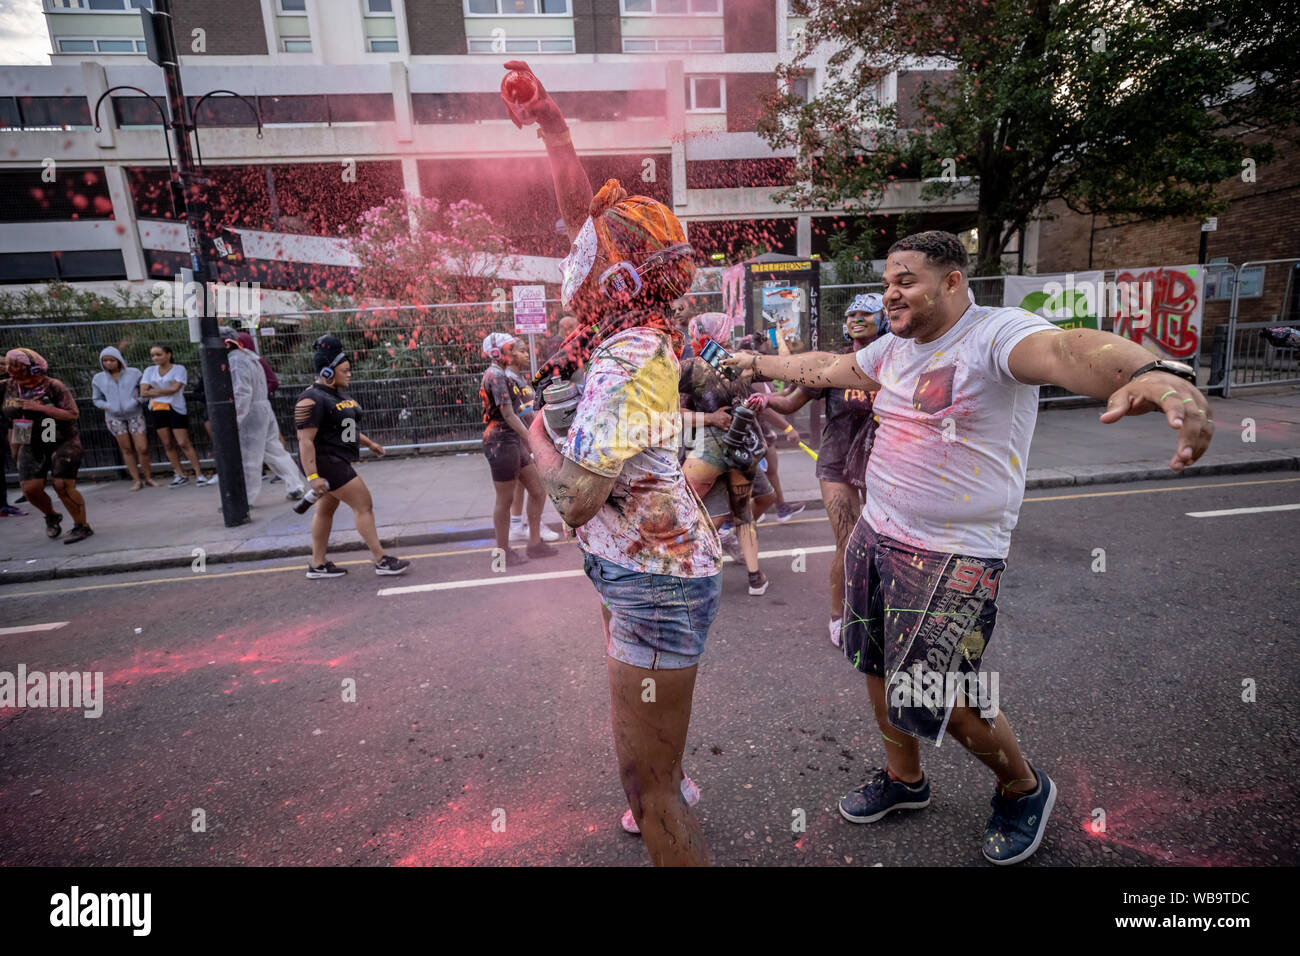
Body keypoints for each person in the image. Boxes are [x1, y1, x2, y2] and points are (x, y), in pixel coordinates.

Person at [724, 230, 1213, 865]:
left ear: (952, 281)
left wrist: (1152, 371)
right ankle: (905, 781)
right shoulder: (893, 350)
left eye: (907, 280)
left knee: (942, 694)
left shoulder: (994, 335)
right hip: (878, 533)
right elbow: (821, 366)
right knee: (870, 661)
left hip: (955, 555)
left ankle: (1023, 787)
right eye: (888, 281)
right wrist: (755, 364)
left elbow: (1066, 348)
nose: (891, 292)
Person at [506, 59, 721, 865]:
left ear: (615, 270)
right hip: (637, 566)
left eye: (589, 248)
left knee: (645, 788)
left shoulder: (630, 356)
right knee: (650, 762)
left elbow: (572, 501)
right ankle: (667, 770)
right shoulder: (628, 318)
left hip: (655, 580)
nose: (574, 255)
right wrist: (553, 129)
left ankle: (663, 790)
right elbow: (576, 211)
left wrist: (529, 427)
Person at [756, 293, 887, 647]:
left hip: (885, 467)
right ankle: (838, 614)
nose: (857, 319)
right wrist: (767, 400)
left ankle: (879, 609)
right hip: (837, 465)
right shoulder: (832, 364)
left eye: (866, 314)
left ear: (884, 318)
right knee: (848, 543)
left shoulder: (896, 362)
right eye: (851, 314)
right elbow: (789, 400)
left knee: (887, 546)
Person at [294, 334, 409, 578]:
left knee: (325, 510)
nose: (349, 374)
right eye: (344, 370)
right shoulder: (311, 398)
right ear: (327, 372)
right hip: (327, 462)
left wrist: (370, 443)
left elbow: (347, 429)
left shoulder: (335, 395)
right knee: (363, 504)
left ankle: (317, 564)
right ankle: (381, 559)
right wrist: (313, 476)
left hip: (338, 459)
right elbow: (305, 442)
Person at [678, 312, 772, 595]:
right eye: (727, 331)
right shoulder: (697, 367)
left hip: (720, 448)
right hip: (724, 447)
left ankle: (686, 571)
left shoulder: (705, 365)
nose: (730, 336)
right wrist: (712, 419)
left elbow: (676, 412)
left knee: (693, 514)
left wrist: (754, 404)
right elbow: (675, 413)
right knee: (736, 514)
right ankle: (753, 577)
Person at [479, 331, 558, 565]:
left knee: (538, 489)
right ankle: (503, 552)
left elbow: (518, 410)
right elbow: (508, 414)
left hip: (512, 441)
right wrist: (533, 438)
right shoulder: (495, 376)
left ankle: (534, 543)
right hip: (500, 443)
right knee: (503, 501)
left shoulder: (503, 375)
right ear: (497, 352)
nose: (514, 351)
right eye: (510, 347)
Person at [2, 348, 93, 543]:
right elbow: (15, 420)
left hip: (54, 431)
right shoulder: (6, 387)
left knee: (62, 484)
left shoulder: (52, 386)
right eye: (8, 365)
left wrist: (40, 407)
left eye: (16, 365)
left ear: (31, 368)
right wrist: (15, 447)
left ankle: (82, 526)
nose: (10, 369)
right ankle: (51, 516)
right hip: (24, 432)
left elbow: (73, 414)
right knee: (30, 489)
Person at [220, 327, 306, 507]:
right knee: (274, 450)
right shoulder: (250, 356)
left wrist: (236, 418)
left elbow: (242, 391)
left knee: (249, 456)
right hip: (263, 407)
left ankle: (245, 499)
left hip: (251, 410)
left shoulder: (235, 360)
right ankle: (295, 485)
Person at [505, 340, 559, 546]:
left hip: (524, 440)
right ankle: (534, 526)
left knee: (521, 485)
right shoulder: (509, 379)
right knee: (539, 487)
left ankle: (517, 526)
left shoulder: (516, 377)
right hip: (524, 440)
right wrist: (531, 438)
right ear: (509, 355)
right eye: (521, 351)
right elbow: (512, 414)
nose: (527, 355)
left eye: (526, 351)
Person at [140, 345, 209, 486]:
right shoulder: (149, 371)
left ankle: (199, 473)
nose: (155, 358)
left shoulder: (179, 369)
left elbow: (174, 389)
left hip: (175, 408)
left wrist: (154, 390)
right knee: (167, 443)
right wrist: (163, 391)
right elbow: (143, 392)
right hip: (157, 408)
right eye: (153, 355)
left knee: (183, 442)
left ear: (168, 355)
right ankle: (179, 474)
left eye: (159, 354)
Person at [92, 346, 158, 492]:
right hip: (113, 416)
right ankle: (136, 480)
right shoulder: (98, 378)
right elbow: (96, 399)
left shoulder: (134, 373)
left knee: (142, 447)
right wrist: (107, 406)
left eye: (111, 360)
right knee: (126, 449)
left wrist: (137, 401)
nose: (108, 363)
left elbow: (145, 391)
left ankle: (148, 477)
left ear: (119, 360)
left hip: (134, 413)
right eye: (105, 360)